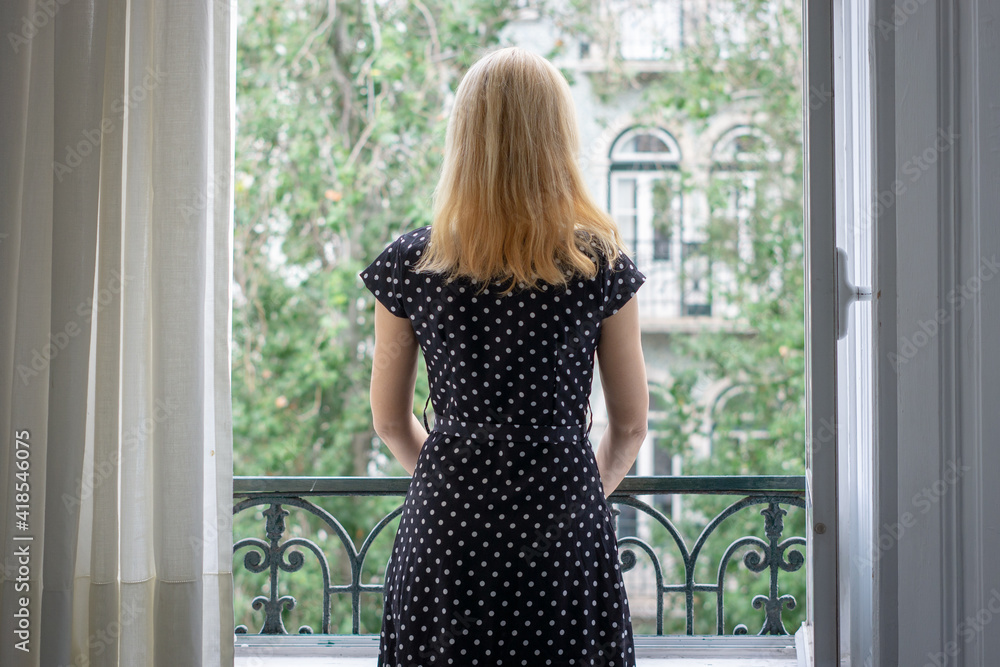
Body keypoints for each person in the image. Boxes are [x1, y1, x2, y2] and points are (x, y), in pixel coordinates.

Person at [360, 46, 648, 667]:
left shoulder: (412, 263)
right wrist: (571, 493)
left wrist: (453, 483)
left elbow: (388, 420)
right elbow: (628, 429)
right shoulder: (599, 265)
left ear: (464, 139)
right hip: (564, 522)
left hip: (449, 524)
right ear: (558, 137)